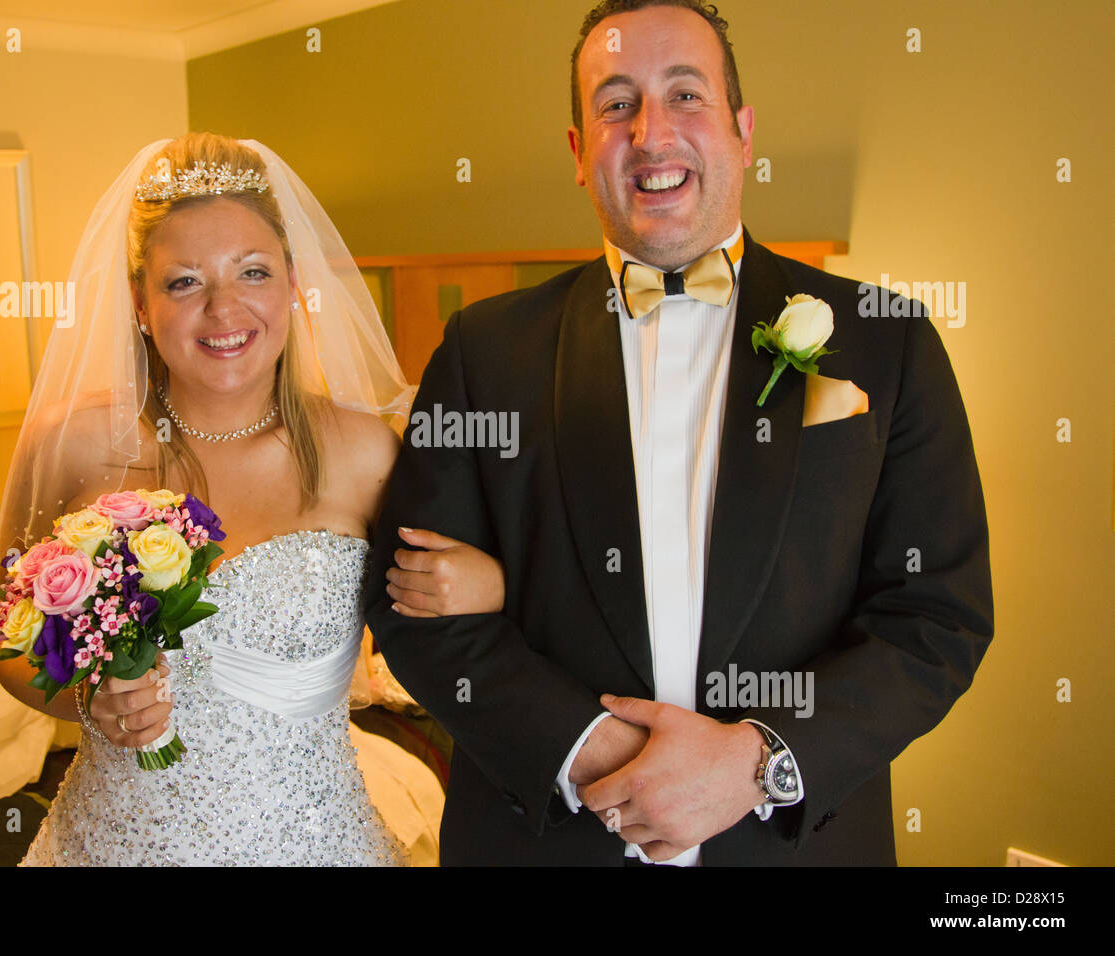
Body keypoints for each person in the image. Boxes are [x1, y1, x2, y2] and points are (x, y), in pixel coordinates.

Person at [365, 0, 993, 865]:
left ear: (742, 131)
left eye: (685, 95)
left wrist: (758, 763)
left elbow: (937, 619)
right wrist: (590, 746)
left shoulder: (887, 339)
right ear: (581, 153)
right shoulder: (484, 350)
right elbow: (408, 607)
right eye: (616, 103)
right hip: (544, 840)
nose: (652, 133)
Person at [0, 133, 504, 865]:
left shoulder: (366, 455)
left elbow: (457, 624)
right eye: (184, 282)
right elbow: (7, 639)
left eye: (252, 272)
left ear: (293, 282)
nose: (224, 311)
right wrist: (81, 699)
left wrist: (490, 583)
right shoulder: (72, 443)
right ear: (139, 302)